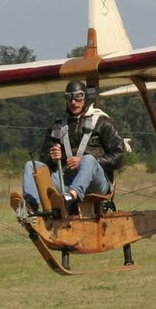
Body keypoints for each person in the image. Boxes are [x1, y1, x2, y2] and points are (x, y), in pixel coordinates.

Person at [20, 79, 126, 217]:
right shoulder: (57, 127)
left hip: (96, 182)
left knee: (88, 159)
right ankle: (31, 207)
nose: (73, 102)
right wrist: (53, 158)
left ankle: (71, 196)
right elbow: (45, 162)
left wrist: (92, 161)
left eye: (78, 96)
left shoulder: (102, 122)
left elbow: (119, 156)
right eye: (69, 98)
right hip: (66, 180)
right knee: (31, 165)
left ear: (85, 97)